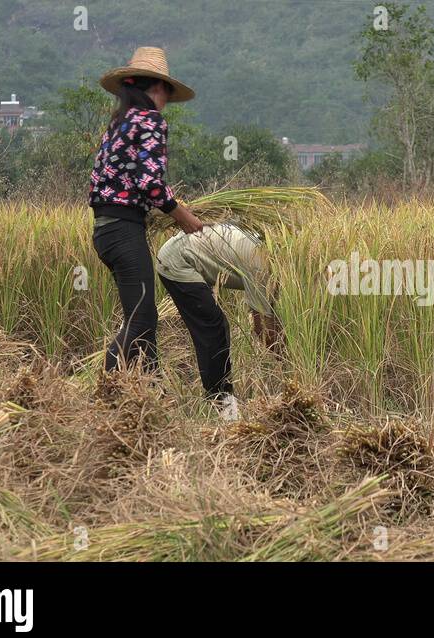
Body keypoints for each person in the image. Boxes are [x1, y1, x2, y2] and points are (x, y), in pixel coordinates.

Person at [89, 46, 204, 377]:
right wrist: (181, 215)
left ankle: (150, 397)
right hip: (124, 232)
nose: (167, 99)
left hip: (105, 231)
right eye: (166, 92)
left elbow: (114, 180)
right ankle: (108, 389)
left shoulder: (118, 123)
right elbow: (150, 183)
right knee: (141, 320)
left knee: (142, 319)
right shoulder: (152, 120)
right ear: (158, 88)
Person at [155, 222, 283, 415]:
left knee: (214, 327)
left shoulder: (271, 250)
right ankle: (223, 405)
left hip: (193, 248)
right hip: (177, 261)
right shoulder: (262, 265)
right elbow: (262, 328)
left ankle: (221, 400)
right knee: (214, 328)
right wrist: (288, 360)